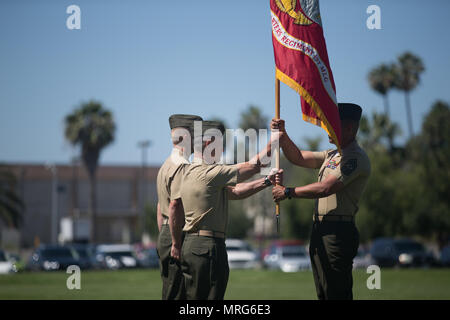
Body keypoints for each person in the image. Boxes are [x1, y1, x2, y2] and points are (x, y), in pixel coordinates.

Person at [271, 103, 371, 300]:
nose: (327, 128)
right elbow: (298, 157)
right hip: (321, 229)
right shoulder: (332, 154)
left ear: (349, 128)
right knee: (324, 292)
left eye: (333, 124)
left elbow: (326, 187)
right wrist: (283, 136)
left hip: (337, 232)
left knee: (336, 293)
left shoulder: (355, 158)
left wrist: (289, 192)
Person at [178, 120, 279, 300]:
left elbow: (236, 192)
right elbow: (255, 165)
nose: (222, 149)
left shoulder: (190, 171)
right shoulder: (209, 173)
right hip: (206, 247)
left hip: (196, 245)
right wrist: (275, 139)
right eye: (220, 143)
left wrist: (267, 181)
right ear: (209, 143)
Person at [156, 114, 202, 300]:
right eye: (195, 135)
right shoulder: (182, 166)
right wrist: (175, 242)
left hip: (168, 231)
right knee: (178, 294)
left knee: (171, 289)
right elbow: (176, 204)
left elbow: (161, 206)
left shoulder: (166, 164)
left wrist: (165, 235)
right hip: (177, 233)